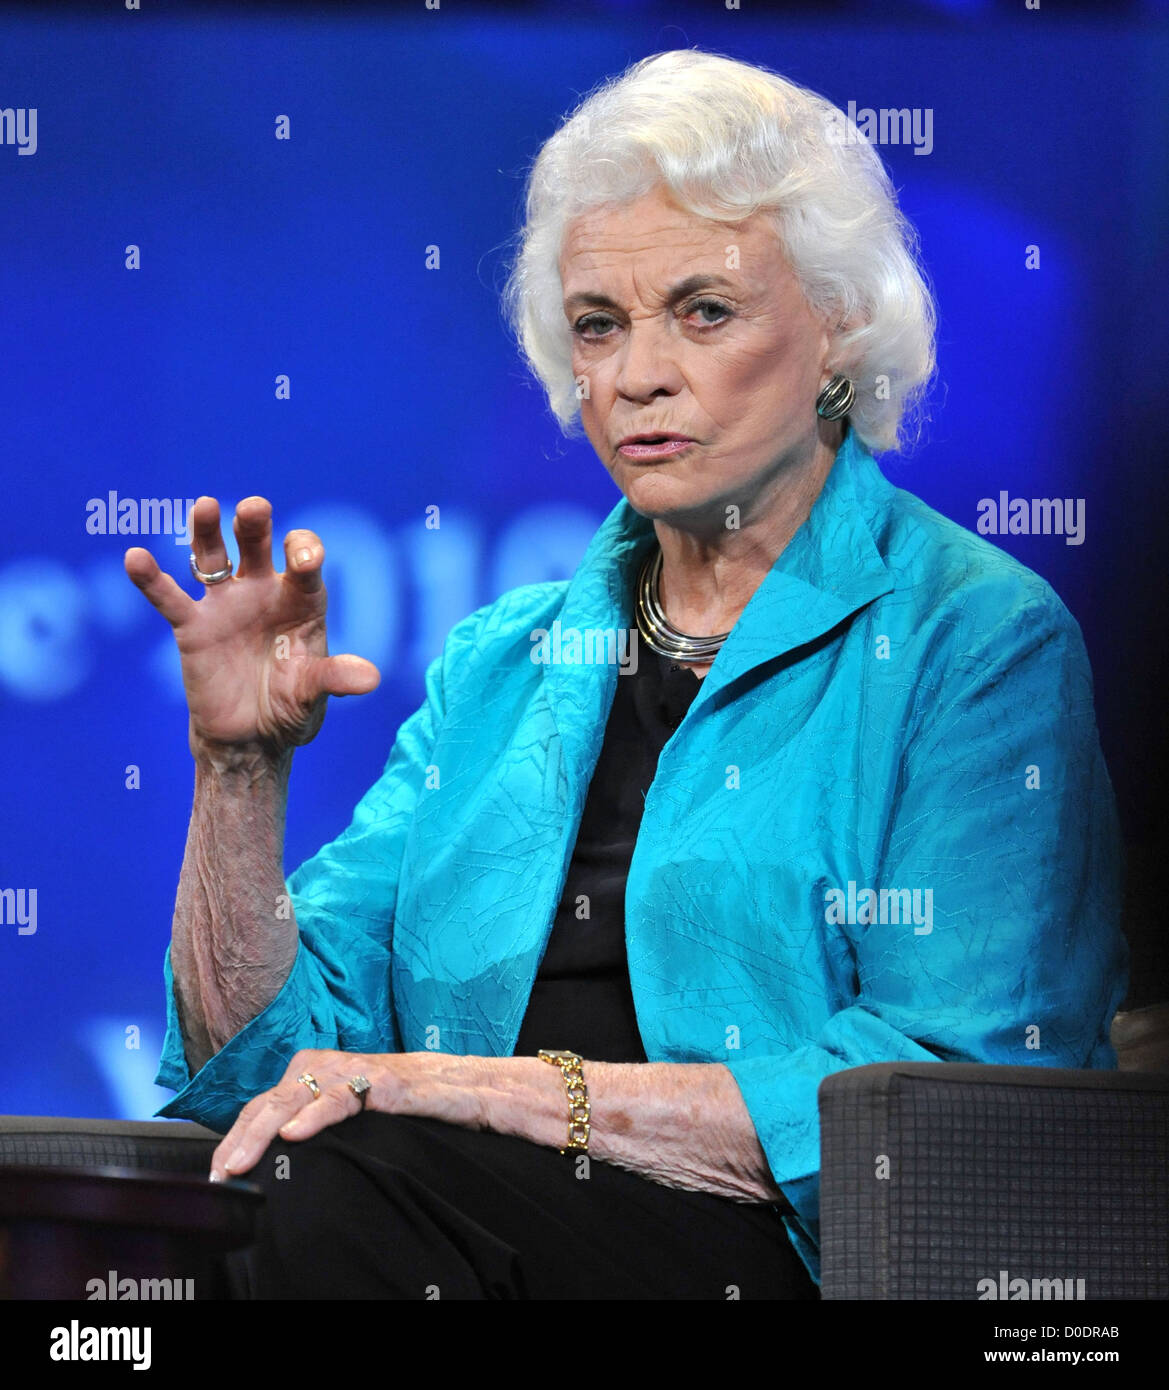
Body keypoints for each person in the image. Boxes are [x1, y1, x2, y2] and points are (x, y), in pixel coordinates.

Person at [124, 48, 1127, 1299]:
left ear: (835, 331)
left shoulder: (972, 637)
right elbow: (261, 1062)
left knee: (328, 1193)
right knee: (213, 1207)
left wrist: (458, 1092)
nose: (637, 374)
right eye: (599, 325)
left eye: (702, 310)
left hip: (780, 1260)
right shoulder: (503, 661)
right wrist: (237, 774)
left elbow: (957, 1100)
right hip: (414, 1221)